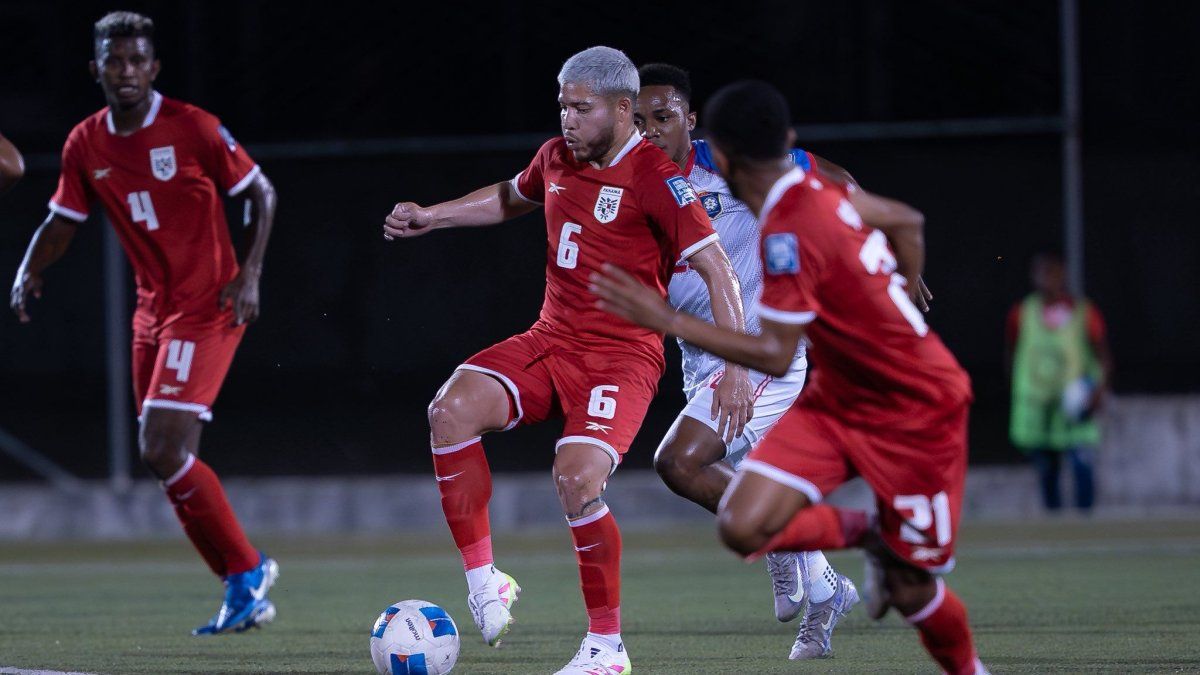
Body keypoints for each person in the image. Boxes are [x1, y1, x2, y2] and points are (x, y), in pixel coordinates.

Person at [591, 80, 989, 674]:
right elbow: (907, 218)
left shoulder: (785, 233)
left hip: (918, 408)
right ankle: (868, 540)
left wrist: (664, 318)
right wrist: (902, 282)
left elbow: (774, 354)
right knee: (743, 523)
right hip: (839, 401)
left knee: (913, 590)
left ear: (715, 151)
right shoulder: (805, 193)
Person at [381, 47, 743, 674]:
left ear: (623, 109)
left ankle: (607, 649)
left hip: (621, 358)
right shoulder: (555, 157)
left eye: (581, 108)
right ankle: (485, 580)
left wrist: (736, 366)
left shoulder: (657, 177)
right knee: (450, 411)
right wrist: (431, 217)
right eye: (563, 106)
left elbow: (718, 269)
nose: (567, 119)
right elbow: (509, 196)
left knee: (577, 478)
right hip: (550, 340)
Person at [8, 11, 280, 636]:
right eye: (114, 61)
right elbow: (62, 219)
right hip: (150, 312)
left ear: (153, 68)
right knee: (166, 458)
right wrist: (29, 266)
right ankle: (243, 586)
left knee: (159, 447)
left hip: (208, 305)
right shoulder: (85, 143)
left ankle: (249, 567)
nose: (125, 71)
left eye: (136, 61)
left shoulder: (193, 127)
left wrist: (251, 273)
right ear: (96, 69)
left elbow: (262, 193)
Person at [634, 62, 857, 660]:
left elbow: (836, 181)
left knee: (679, 461)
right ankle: (825, 595)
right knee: (753, 481)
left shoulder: (731, 165)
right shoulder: (631, 184)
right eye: (638, 120)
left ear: (690, 117)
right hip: (698, 361)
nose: (650, 130)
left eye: (663, 117)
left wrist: (881, 260)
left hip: (762, 354)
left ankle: (795, 556)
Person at [1006, 252, 1112, 512]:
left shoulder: (1083, 312)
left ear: (1063, 274)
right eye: (1041, 272)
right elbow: (1011, 354)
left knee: (1081, 466)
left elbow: (1103, 356)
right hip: (1039, 409)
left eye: (1052, 272)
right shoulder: (1023, 312)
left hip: (1075, 407)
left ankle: (1086, 524)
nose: (1047, 278)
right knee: (1047, 473)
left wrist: (1099, 389)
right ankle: (1053, 527)